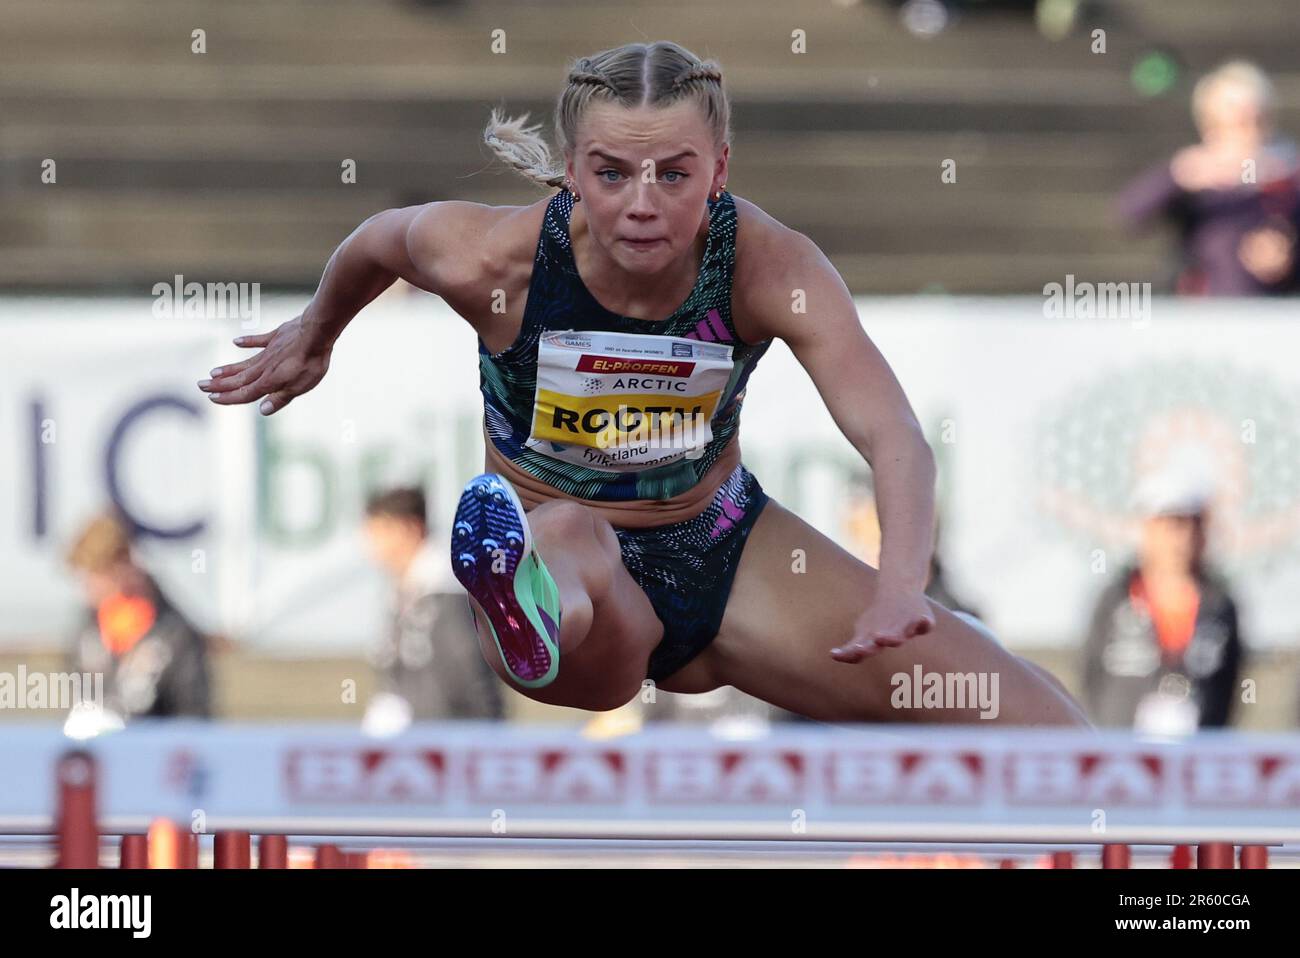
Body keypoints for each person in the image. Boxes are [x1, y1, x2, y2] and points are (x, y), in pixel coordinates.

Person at [200, 41, 1088, 726]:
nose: (642, 203)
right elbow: (382, 239)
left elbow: (891, 433)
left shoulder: (767, 264)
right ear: (572, 168)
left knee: (1039, 720)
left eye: (675, 174)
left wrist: (900, 585)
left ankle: (1172, 909)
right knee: (578, 542)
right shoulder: (495, 256)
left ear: (722, 169)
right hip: (568, 574)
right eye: (612, 173)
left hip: (729, 550)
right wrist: (317, 333)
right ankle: (520, 598)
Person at [1116, 60, 1300, 295]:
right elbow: (1129, 214)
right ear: (1209, 124)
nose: (1248, 132)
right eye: (1237, 122)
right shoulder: (1194, 176)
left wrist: (1287, 255)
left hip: (1278, 318)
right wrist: (1178, 176)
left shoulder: (1290, 173)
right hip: (1206, 318)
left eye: (1257, 120)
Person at [1081, 470, 1243, 732]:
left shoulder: (1221, 606)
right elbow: (1090, 677)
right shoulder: (1115, 601)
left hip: (1197, 756)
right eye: (1173, 526)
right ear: (1147, 528)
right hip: (1123, 754)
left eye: (1194, 526)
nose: (1184, 539)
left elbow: (1229, 685)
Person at [361, 486, 505, 727]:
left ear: (408, 529)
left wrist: (481, 747)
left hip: (448, 751)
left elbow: (476, 685)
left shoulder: (450, 595)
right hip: (417, 749)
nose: (370, 544)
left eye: (379, 531)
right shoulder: (405, 593)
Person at [64, 510, 213, 722]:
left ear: (124, 565)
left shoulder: (175, 636)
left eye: (96, 574)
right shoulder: (87, 633)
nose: (88, 588)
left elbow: (194, 719)